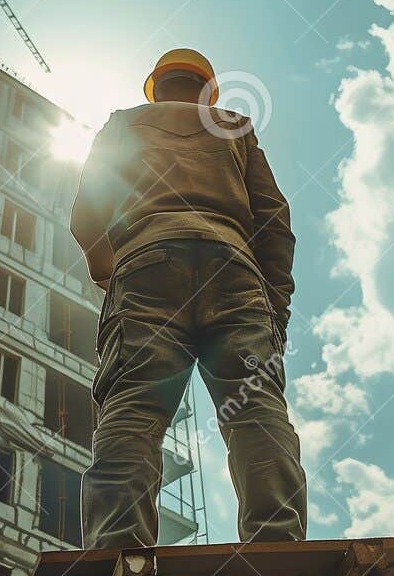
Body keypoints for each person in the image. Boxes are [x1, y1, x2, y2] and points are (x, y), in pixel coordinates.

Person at [70, 48, 307, 549]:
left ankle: (119, 551)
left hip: (146, 267)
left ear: (158, 85)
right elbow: (274, 221)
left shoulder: (124, 125)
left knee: (134, 406)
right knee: (255, 407)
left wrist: (111, 273)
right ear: (207, 90)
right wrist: (275, 306)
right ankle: (277, 545)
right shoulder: (233, 127)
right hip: (234, 269)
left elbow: (87, 213)